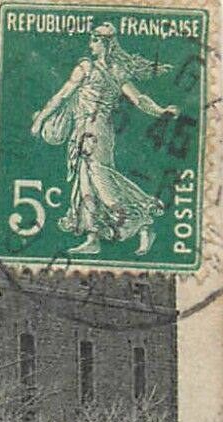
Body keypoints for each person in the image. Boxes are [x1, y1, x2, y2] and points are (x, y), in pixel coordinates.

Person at [30, 22, 178, 257]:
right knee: (85, 184)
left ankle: (142, 220)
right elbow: (62, 95)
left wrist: (160, 111)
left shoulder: (103, 70)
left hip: (97, 131)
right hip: (82, 131)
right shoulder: (94, 69)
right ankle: (93, 237)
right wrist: (40, 120)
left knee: (101, 179)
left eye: (94, 41)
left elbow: (138, 99)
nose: (91, 45)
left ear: (105, 43)